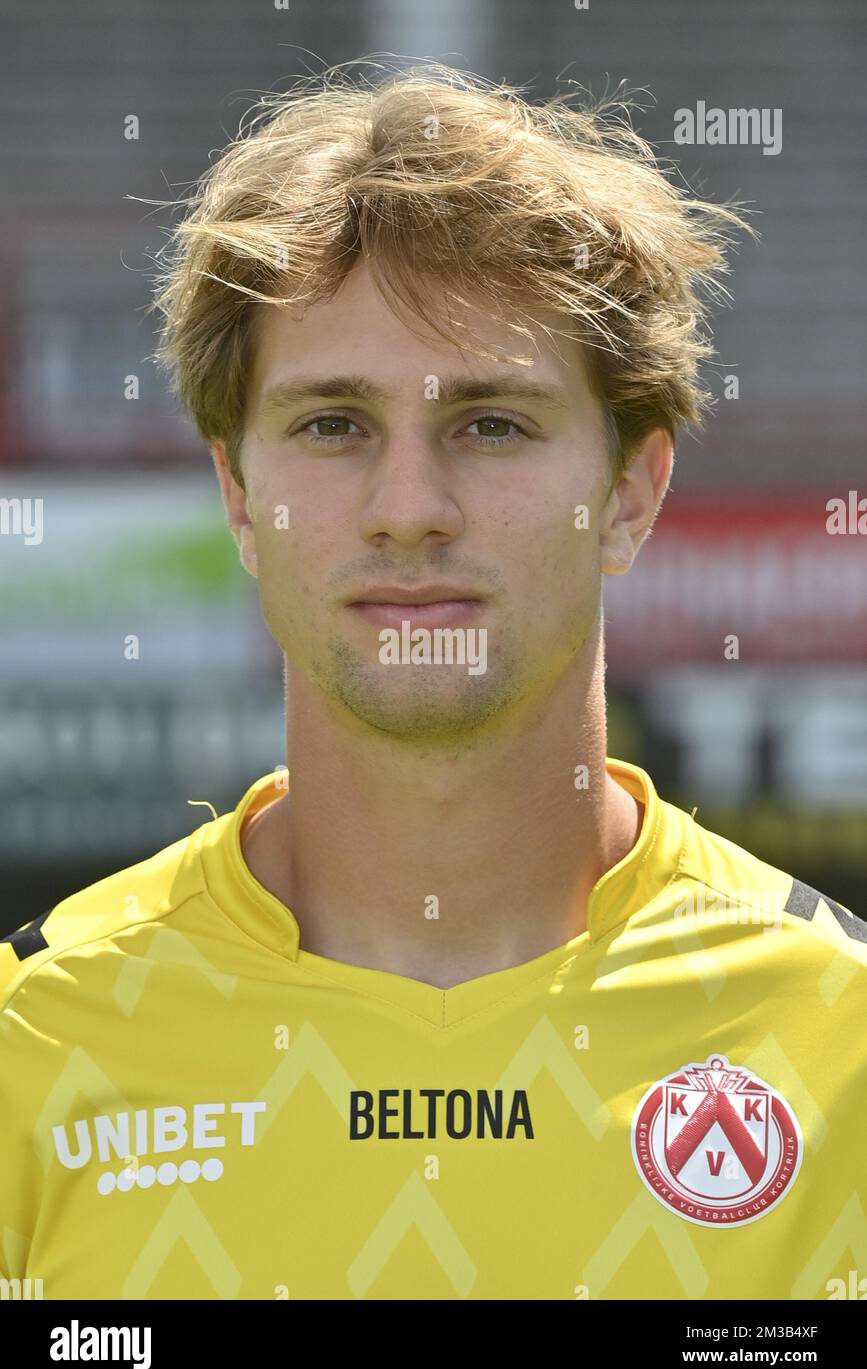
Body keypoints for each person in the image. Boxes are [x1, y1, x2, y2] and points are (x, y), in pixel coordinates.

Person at [1, 60, 864, 1302]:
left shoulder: (844, 1040)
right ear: (240, 496)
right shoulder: (36, 1038)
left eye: (492, 423)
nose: (409, 510)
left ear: (629, 490)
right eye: (333, 424)